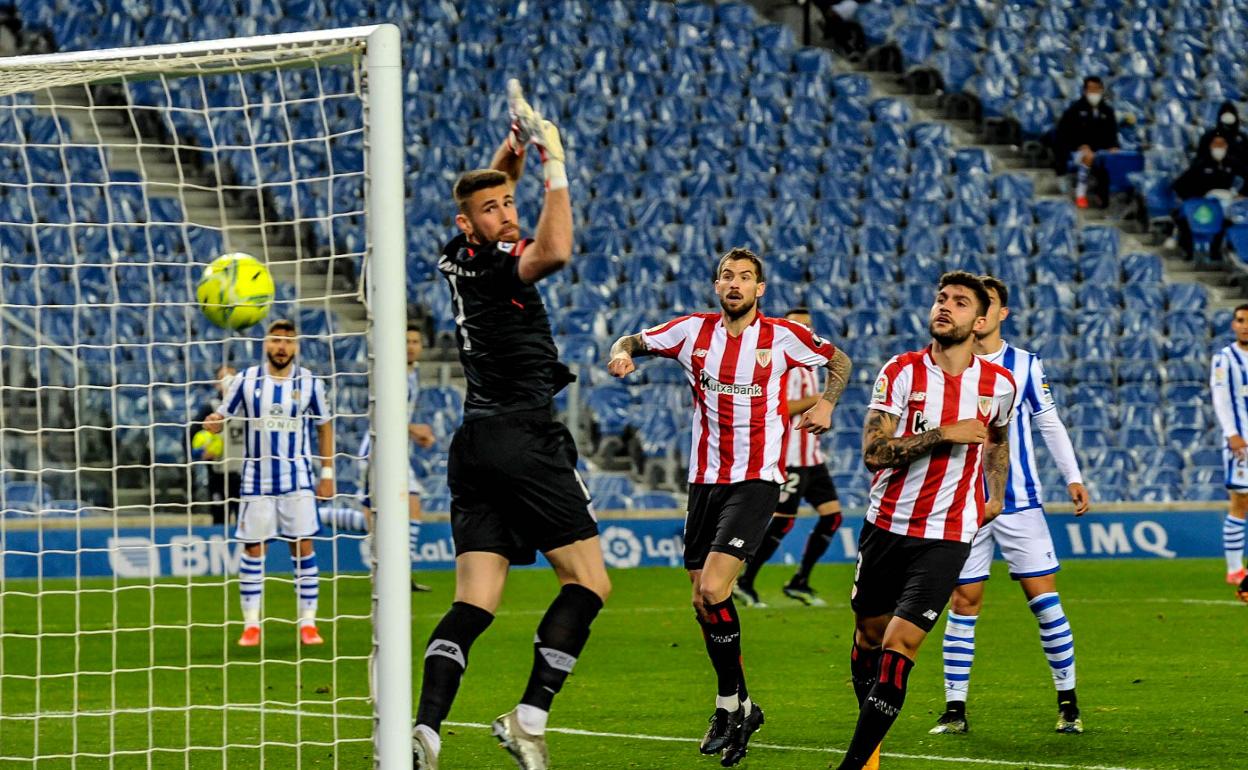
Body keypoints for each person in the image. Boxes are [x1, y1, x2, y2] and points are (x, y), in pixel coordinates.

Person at [411, 81, 610, 770]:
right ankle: (528, 718)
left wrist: (514, 146)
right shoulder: (501, 264)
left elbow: (493, 194)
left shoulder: (457, 253)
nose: (505, 213)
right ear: (470, 224)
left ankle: (426, 732)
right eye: (491, 210)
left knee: (477, 600)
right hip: (524, 438)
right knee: (588, 584)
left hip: (474, 445)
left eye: (509, 203)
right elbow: (551, 253)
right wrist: (554, 161)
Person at [608, 249, 852, 767]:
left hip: (757, 480)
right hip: (704, 482)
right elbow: (634, 339)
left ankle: (725, 705)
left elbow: (840, 360)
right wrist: (622, 352)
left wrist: (827, 401)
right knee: (701, 599)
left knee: (716, 588)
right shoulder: (693, 332)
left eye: (745, 277)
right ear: (717, 285)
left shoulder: (782, 337)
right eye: (727, 276)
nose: (735, 283)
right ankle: (742, 705)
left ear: (760, 289)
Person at [835, 271, 1015, 770]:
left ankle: (854, 765)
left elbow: (997, 440)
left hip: (948, 536)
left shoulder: (999, 383)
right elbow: (874, 454)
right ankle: (870, 754)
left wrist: (994, 496)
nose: (945, 307)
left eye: (959, 302)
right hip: (888, 525)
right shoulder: (900, 373)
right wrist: (942, 433)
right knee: (869, 637)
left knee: (901, 645)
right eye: (941, 299)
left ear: (980, 321)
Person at [929, 276, 1091, 738]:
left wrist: (1073, 477)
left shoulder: (1023, 364)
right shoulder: (944, 362)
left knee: (1044, 601)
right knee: (964, 601)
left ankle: (1068, 701)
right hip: (963, 503)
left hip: (1019, 502)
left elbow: (1049, 421)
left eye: (988, 303)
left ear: (999, 313)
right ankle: (955, 709)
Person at [204, 319, 334, 648]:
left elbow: (324, 427)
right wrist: (214, 423)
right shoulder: (246, 380)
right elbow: (223, 415)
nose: (282, 347)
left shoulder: (310, 383)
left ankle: (308, 623)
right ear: (266, 344)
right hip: (256, 480)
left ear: (296, 346)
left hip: (298, 479)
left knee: (303, 546)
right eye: (276, 340)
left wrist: (327, 473)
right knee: (252, 548)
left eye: (289, 341)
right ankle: (251, 625)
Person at [734, 307, 844, 608]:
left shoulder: (811, 363)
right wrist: (819, 399)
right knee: (782, 524)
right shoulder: (783, 363)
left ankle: (800, 581)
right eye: (798, 326)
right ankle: (745, 582)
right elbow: (781, 405)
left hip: (812, 457)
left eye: (808, 326)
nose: (805, 331)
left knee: (832, 517)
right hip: (790, 457)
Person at [323, 320, 436, 592]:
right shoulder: (390, 372)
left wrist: (413, 434)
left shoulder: (414, 373)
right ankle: (318, 516)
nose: (410, 347)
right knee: (374, 518)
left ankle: (402, 573)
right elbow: (382, 413)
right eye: (406, 341)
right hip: (376, 449)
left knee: (413, 505)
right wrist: (414, 429)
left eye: (415, 342)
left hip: (398, 451)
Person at [1210, 303, 1248, 592]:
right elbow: (1220, 398)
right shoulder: (1224, 359)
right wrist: (1232, 433)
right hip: (1242, 444)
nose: (1245, 325)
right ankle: (1235, 569)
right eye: (1240, 320)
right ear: (1233, 325)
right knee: (1240, 504)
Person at [1170, 135, 1248, 256]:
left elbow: (1245, 181)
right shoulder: (1200, 164)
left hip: (1227, 205)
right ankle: (1189, 250)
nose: (1219, 148)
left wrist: (1241, 195)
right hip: (1204, 204)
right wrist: (1195, 198)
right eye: (1216, 145)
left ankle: (1224, 252)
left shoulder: (1233, 164)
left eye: (1222, 145)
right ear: (1210, 146)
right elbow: (1179, 185)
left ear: (1226, 147)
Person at [1053, 76, 1119, 209]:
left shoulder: (1108, 111)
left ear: (1101, 90)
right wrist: (1080, 146)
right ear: (1084, 91)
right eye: (1091, 89)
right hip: (1076, 150)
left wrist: (1113, 146)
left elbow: (1113, 133)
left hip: (1101, 151)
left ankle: (1106, 198)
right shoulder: (1074, 110)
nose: (1094, 92)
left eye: (1097, 89)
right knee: (1088, 157)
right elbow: (1064, 133)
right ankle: (1080, 194)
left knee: (1116, 158)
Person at [192, 364, 243, 525]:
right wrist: (199, 453)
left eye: (232, 379)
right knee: (220, 519)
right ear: (216, 384)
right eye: (223, 379)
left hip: (243, 475)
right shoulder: (210, 407)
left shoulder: (248, 408)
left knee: (245, 521)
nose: (228, 383)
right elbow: (191, 435)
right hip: (217, 475)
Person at [1197, 101, 1248, 167]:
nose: (1228, 119)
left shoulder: (1242, 138)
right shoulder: (1209, 137)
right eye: (1225, 116)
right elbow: (1200, 160)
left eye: (1230, 116)